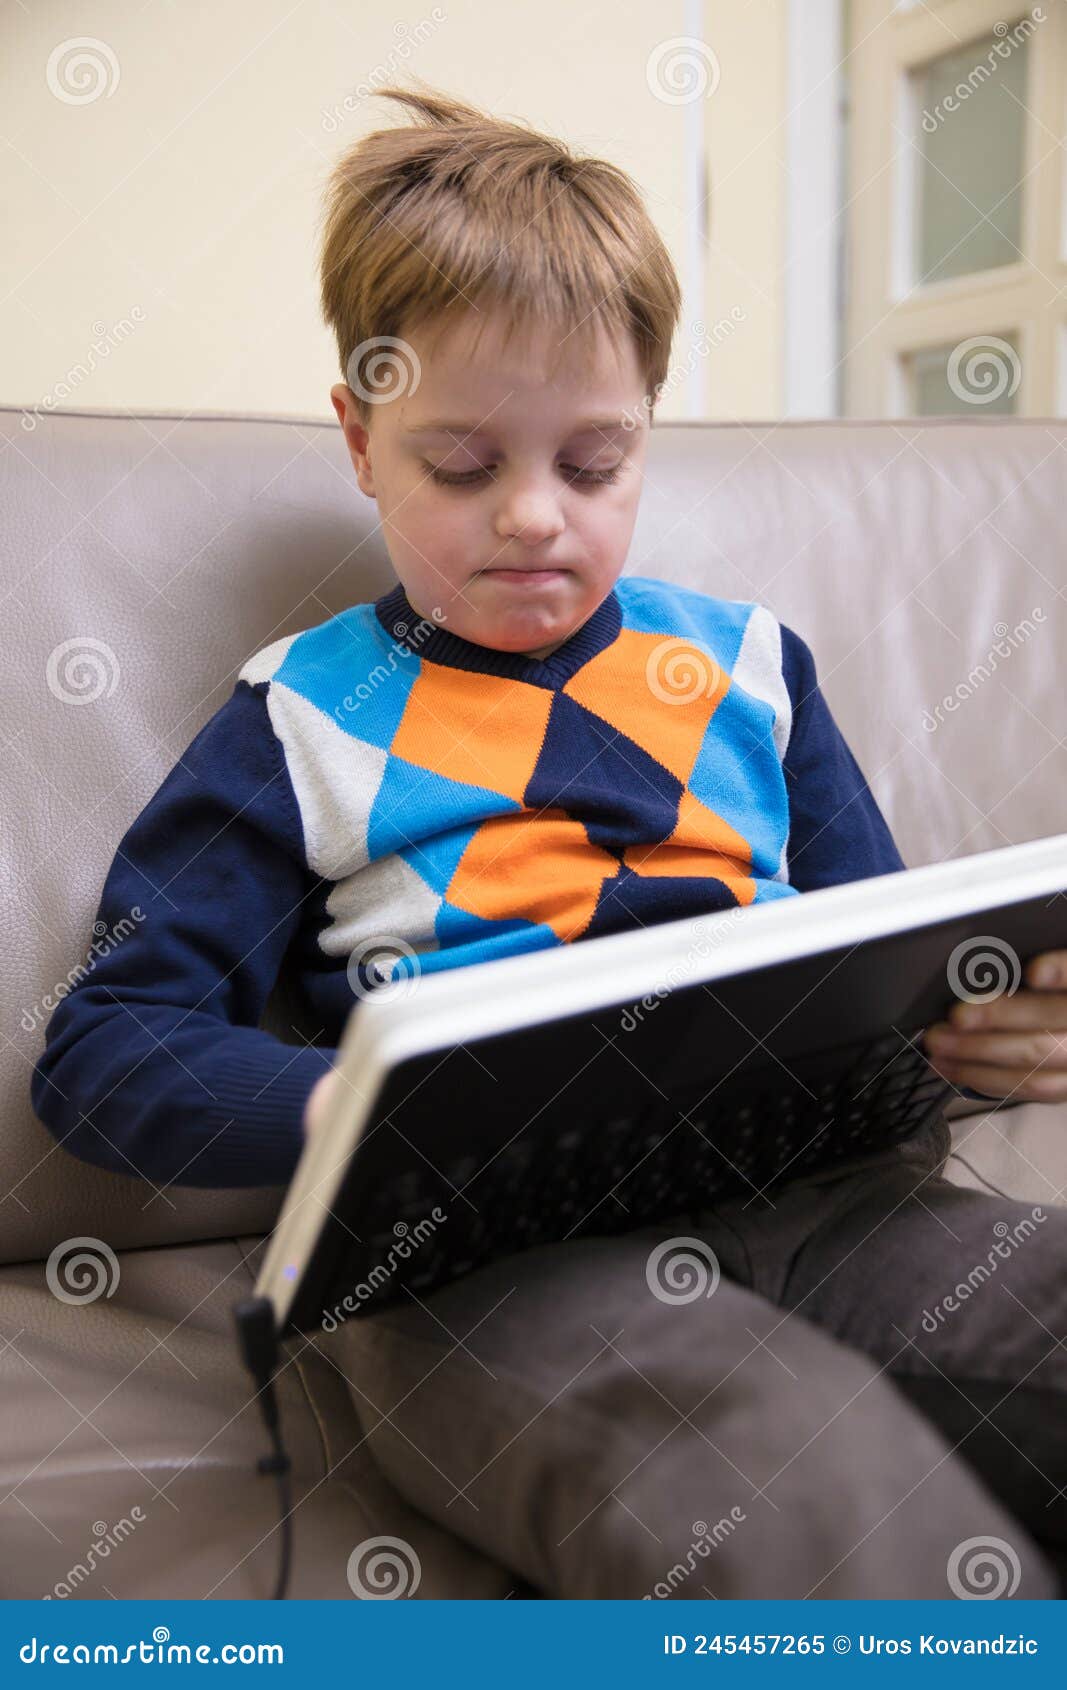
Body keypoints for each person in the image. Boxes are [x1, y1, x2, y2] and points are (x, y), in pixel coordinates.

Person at [30, 84, 1067, 1599]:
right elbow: (107, 1050)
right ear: (360, 438)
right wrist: (359, 1111)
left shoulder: (753, 671)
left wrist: (989, 1024)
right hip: (485, 1260)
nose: (532, 517)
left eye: (593, 464)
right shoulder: (301, 718)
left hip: (839, 1198)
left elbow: (889, 962)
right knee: (784, 1483)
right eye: (462, 465)